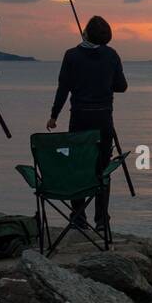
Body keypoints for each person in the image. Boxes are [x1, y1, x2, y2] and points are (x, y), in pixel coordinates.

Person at [47, 14, 127, 228]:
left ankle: (78, 217)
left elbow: (63, 87)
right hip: (103, 119)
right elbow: (122, 86)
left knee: (78, 166)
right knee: (102, 170)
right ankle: (101, 220)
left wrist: (54, 116)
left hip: (79, 117)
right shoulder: (111, 55)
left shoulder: (71, 55)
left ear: (86, 33)